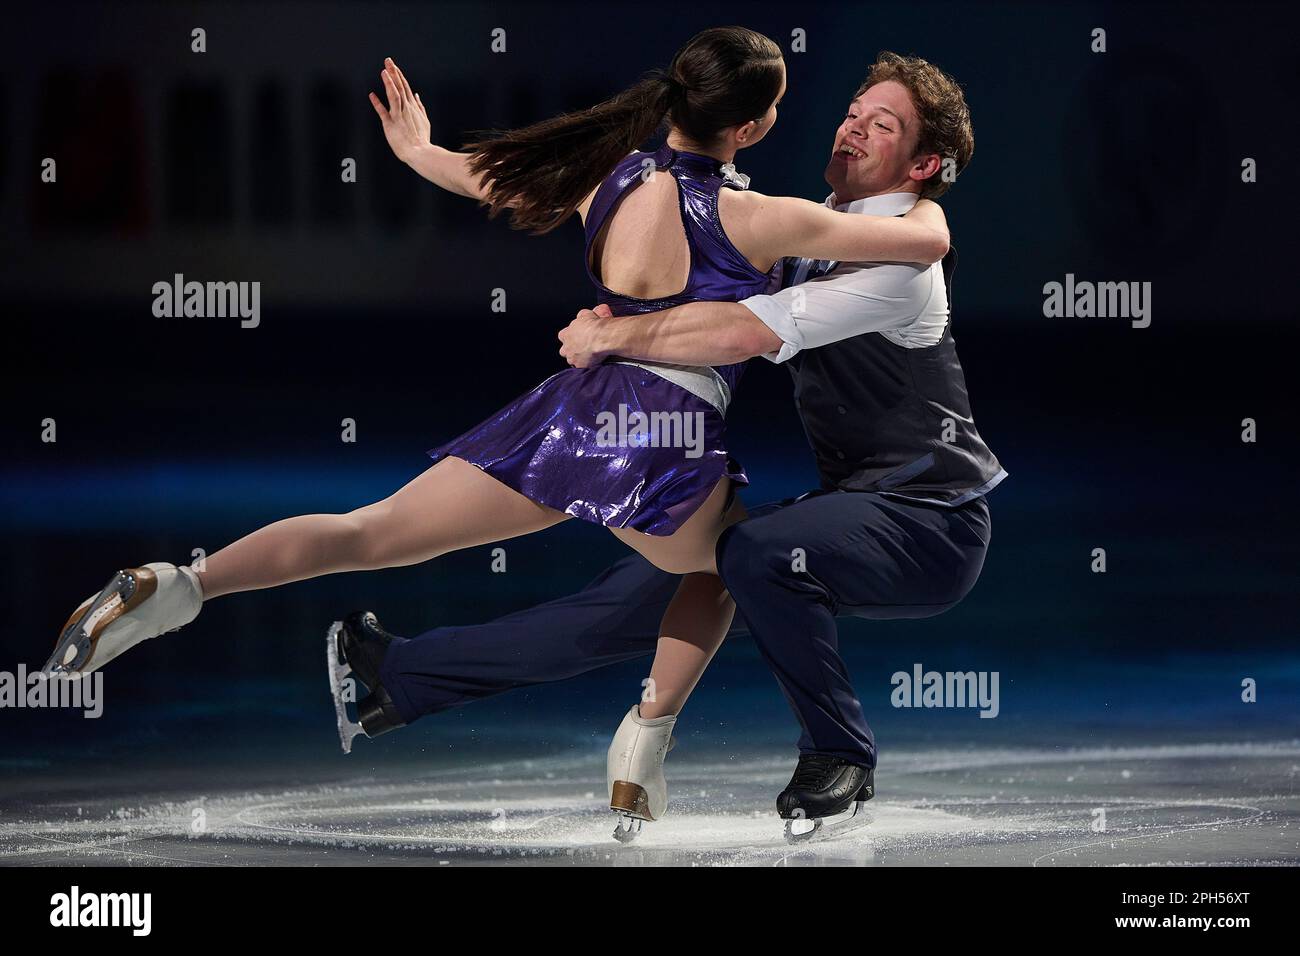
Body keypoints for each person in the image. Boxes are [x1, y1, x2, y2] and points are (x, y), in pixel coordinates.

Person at [41, 31, 950, 838]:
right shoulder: (760, 217)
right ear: (748, 129)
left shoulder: (606, 179)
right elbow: (921, 243)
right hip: (659, 431)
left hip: (568, 410)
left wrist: (418, 149)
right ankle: (644, 741)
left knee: (368, 531)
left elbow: (481, 175)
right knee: (731, 563)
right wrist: (932, 200)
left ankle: (181, 583)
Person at [360, 51, 1006, 841]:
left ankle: (840, 754)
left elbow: (740, 329)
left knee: (754, 554)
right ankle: (402, 678)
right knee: (650, 590)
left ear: (923, 162)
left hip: (930, 521)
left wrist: (610, 334)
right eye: (854, 110)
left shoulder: (901, 269)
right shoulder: (828, 229)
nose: (853, 127)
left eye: (884, 125)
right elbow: (576, 204)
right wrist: (427, 156)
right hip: (854, 508)